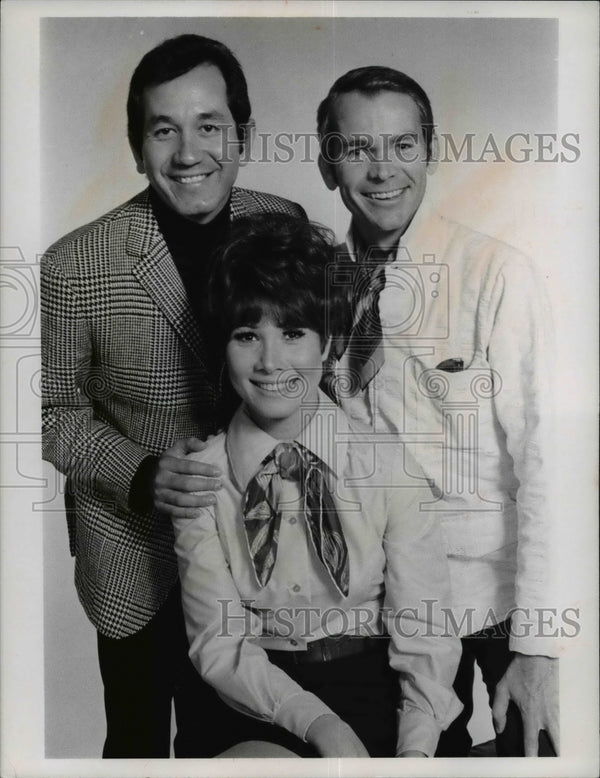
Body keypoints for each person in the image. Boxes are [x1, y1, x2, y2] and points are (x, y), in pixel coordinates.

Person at [41, 33, 306, 758]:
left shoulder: (282, 224)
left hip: (261, 555)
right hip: (137, 560)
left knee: (242, 743)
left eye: (209, 126)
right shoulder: (74, 265)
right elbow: (49, 414)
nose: (189, 153)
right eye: (165, 130)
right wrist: (142, 474)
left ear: (241, 136)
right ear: (137, 148)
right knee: (135, 746)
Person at [316, 66, 559, 757]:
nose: (382, 169)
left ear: (430, 150)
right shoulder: (321, 284)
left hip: (496, 603)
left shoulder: (494, 273)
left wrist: (540, 645)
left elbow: (550, 464)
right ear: (327, 158)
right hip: (387, 608)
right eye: (358, 148)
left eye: (402, 145)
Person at [172, 213, 462, 758]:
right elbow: (221, 643)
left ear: (327, 345)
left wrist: (415, 752)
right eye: (246, 335)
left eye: (293, 332)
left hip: (375, 682)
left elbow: (424, 630)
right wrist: (322, 727)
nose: (270, 361)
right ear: (223, 346)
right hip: (254, 692)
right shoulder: (202, 479)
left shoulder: (387, 465)